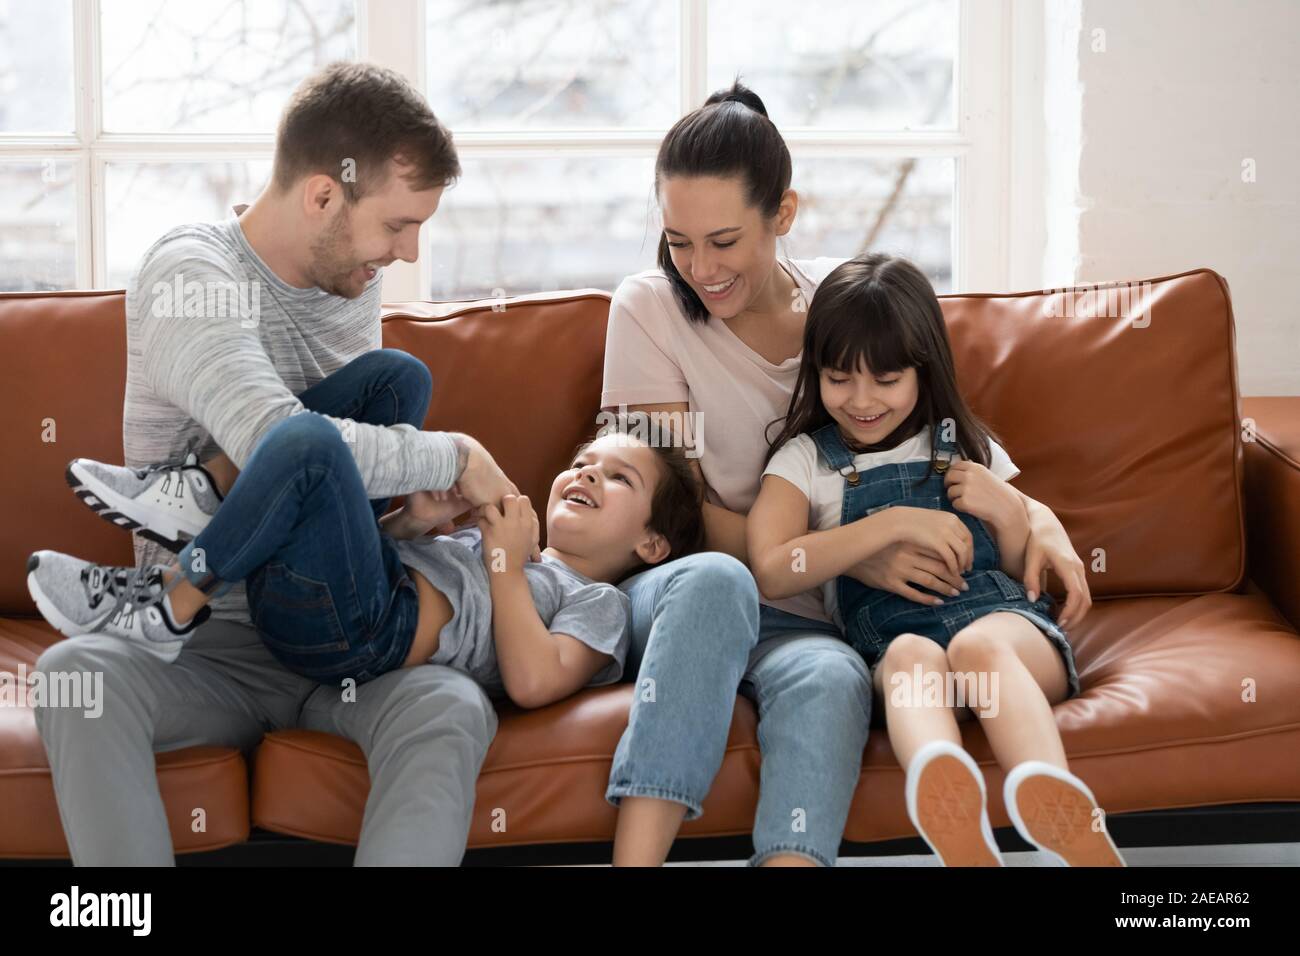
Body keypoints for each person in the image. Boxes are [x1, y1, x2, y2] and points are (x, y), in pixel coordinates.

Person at [601, 80, 1094, 866]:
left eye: (723, 241)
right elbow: (671, 508)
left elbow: (956, 451)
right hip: (698, 581)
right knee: (720, 585)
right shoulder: (649, 311)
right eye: (678, 241)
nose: (699, 268)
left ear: (783, 215)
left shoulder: (846, 310)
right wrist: (863, 543)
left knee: (834, 678)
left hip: (823, 614)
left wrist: (1047, 528)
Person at [29, 61, 510, 866]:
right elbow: (277, 438)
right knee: (79, 677)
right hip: (204, 646)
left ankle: (198, 494)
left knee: (450, 705)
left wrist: (404, 523)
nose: (409, 252)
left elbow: (334, 497)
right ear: (324, 195)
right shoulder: (194, 274)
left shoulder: (351, 283)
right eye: (397, 225)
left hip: (332, 636)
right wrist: (456, 455)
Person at [749, 253, 1122, 866]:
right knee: (908, 656)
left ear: (924, 370)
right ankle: (947, 801)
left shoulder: (963, 443)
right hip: (900, 651)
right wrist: (889, 524)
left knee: (979, 646)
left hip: (1008, 639)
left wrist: (1008, 513)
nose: (860, 399)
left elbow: (1021, 561)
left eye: (886, 379)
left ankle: (1056, 805)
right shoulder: (803, 461)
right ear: (814, 372)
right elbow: (772, 566)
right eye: (838, 378)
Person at [30, 429, 704, 711]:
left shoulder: (598, 602)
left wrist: (502, 561)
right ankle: (200, 502)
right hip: (344, 592)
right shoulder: (501, 539)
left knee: (314, 444)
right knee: (388, 380)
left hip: (371, 632)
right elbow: (374, 561)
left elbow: (532, 682)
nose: (587, 473)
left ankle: (172, 591)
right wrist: (412, 524)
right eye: (584, 460)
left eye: (618, 478)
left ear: (650, 544)